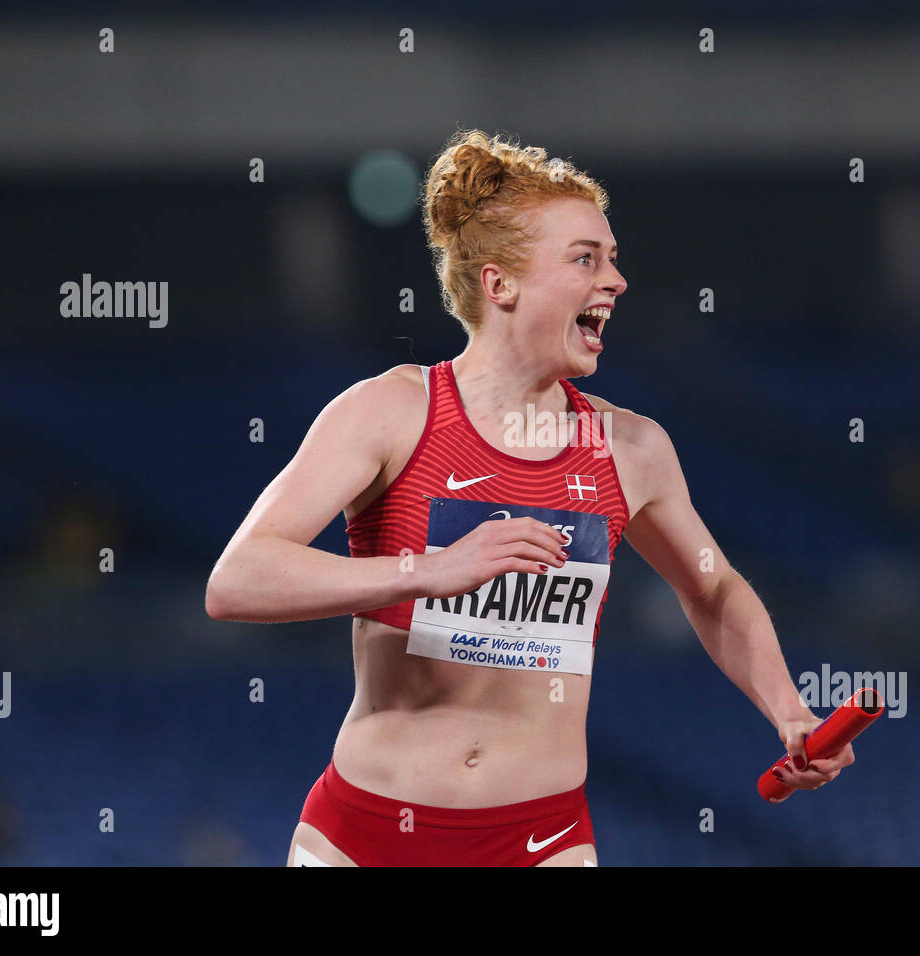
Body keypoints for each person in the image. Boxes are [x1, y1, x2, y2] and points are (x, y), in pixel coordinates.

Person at [205, 129, 853, 867]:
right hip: (368, 832)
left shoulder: (632, 449)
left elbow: (713, 587)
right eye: (585, 259)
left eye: (612, 258)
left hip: (540, 840)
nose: (616, 280)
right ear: (500, 283)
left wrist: (789, 708)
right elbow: (237, 580)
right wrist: (427, 568)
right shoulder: (388, 412)